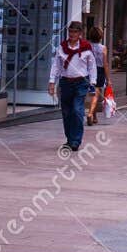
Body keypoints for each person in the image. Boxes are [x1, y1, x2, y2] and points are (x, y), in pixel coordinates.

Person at [47, 21, 97, 153]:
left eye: (75, 32)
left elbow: (92, 66)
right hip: (65, 82)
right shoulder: (62, 47)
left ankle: (76, 141)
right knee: (66, 112)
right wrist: (52, 82)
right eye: (70, 31)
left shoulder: (86, 47)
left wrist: (93, 83)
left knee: (77, 110)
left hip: (81, 82)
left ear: (80, 33)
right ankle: (69, 139)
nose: (72, 34)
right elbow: (56, 65)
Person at [85, 25, 107, 126]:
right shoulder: (103, 48)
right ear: (100, 36)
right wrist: (108, 78)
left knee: (92, 92)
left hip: (88, 71)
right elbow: (105, 64)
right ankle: (90, 114)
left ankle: (94, 117)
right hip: (100, 71)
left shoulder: (87, 46)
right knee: (96, 94)